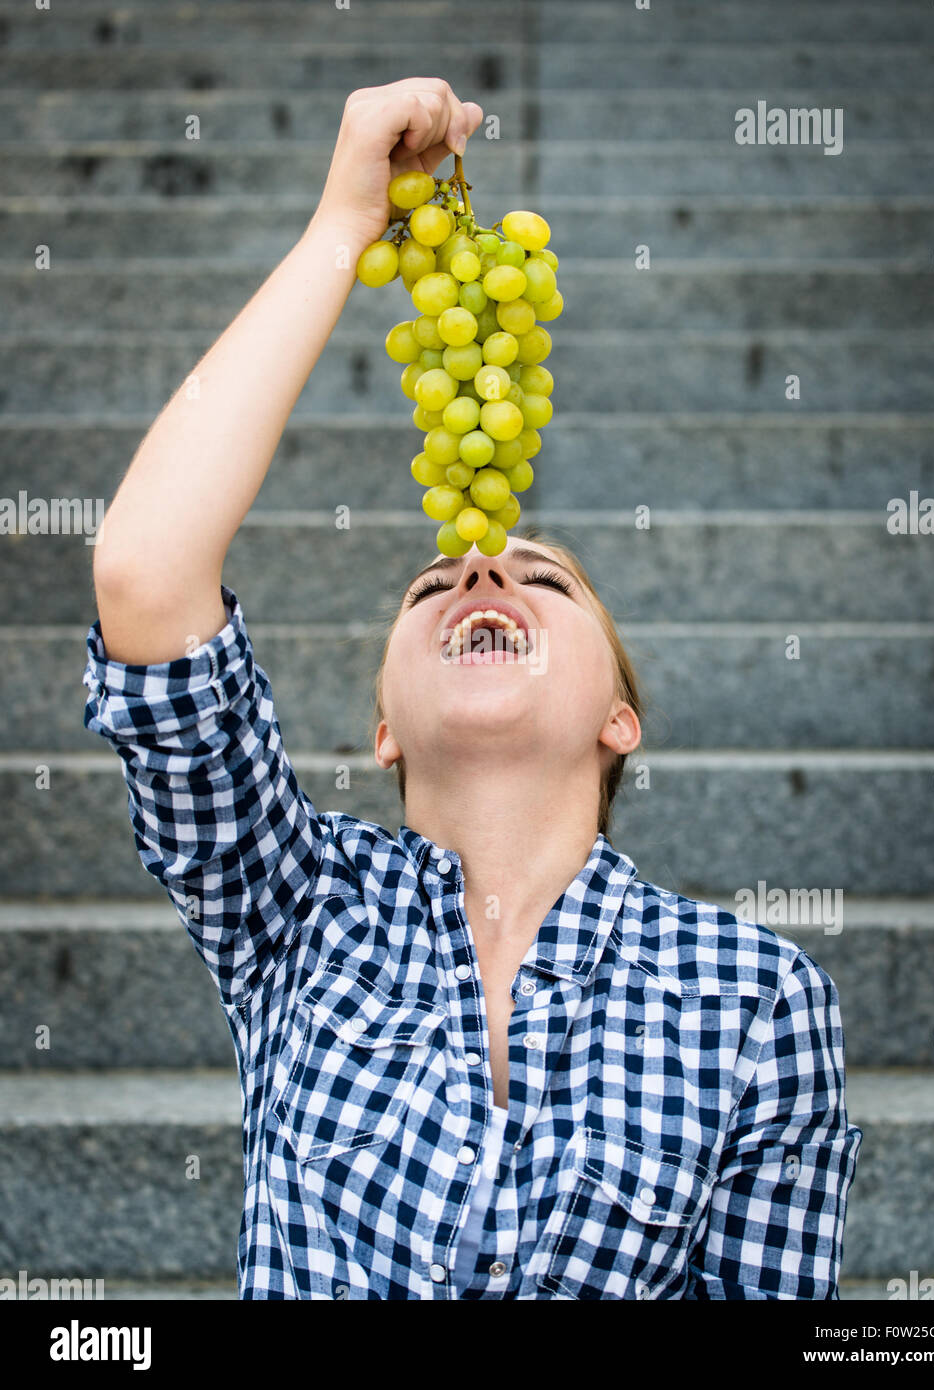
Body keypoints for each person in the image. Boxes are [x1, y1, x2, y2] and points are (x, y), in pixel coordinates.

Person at [82, 78, 862, 1299]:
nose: (484, 561)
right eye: (429, 583)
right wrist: (342, 227)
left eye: (541, 580)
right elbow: (143, 575)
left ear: (621, 717)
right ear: (383, 729)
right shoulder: (290, 914)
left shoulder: (758, 999)